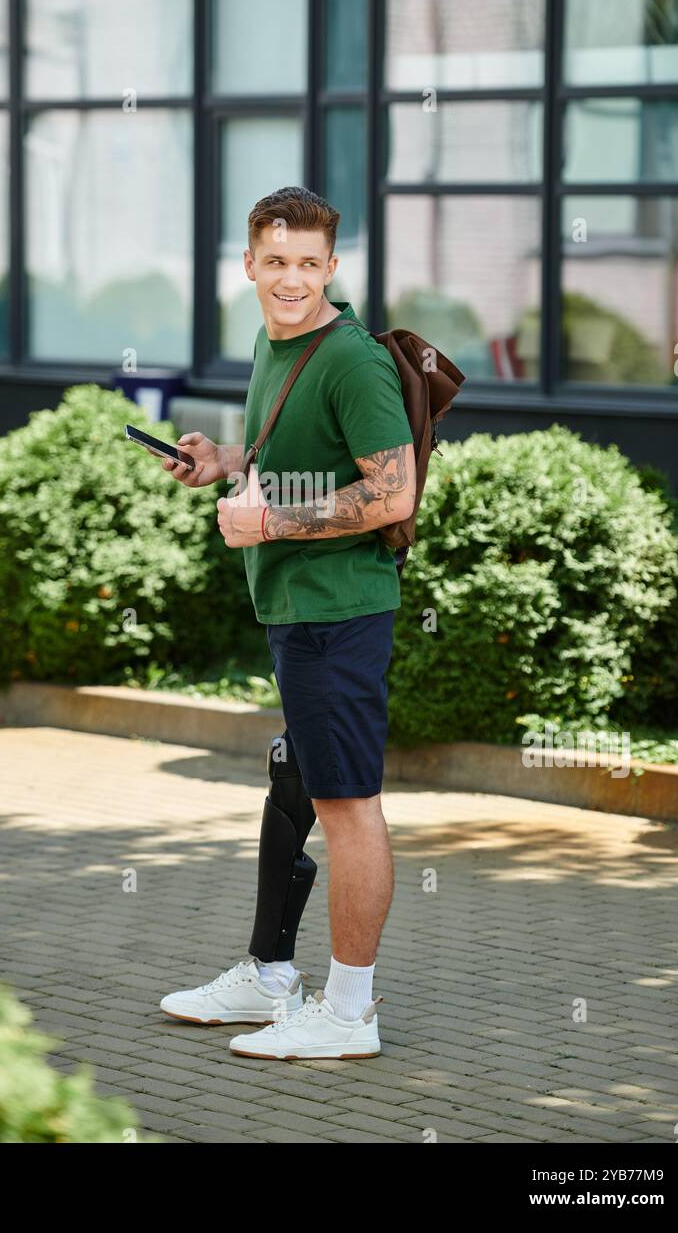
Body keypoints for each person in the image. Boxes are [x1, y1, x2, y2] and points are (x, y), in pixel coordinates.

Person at [157, 185, 415, 1059]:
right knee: (293, 786)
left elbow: (392, 493)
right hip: (294, 611)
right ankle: (270, 976)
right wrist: (224, 462)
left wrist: (268, 522)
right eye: (277, 262)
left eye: (310, 263)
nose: (293, 278)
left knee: (350, 809)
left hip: (338, 617)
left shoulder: (350, 360)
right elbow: (287, 461)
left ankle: (348, 1015)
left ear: (333, 266)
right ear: (251, 265)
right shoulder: (276, 343)